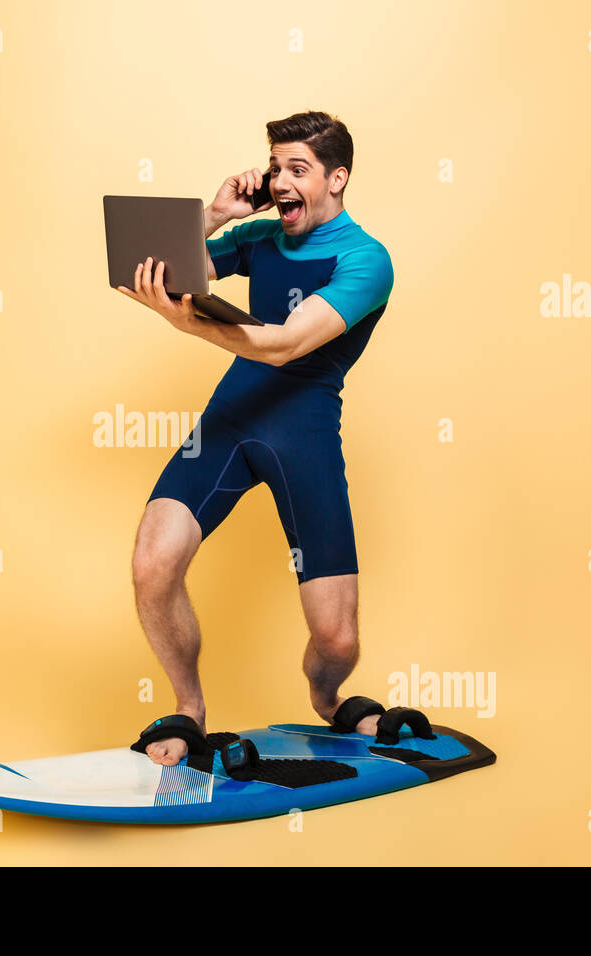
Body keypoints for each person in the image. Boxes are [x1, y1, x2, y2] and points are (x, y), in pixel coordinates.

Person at [116, 110, 395, 766]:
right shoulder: (260, 234)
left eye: (298, 168)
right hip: (232, 420)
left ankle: (327, 700)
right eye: (275, 167)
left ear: (337, 178)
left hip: (305, 435)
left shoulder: (366, 260)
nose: (280, 179)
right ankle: (190, 710)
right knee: (152, 564)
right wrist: (215, 217)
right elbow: (142, 264)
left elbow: (285, 345)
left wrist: (187, 327)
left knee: (336, 642)